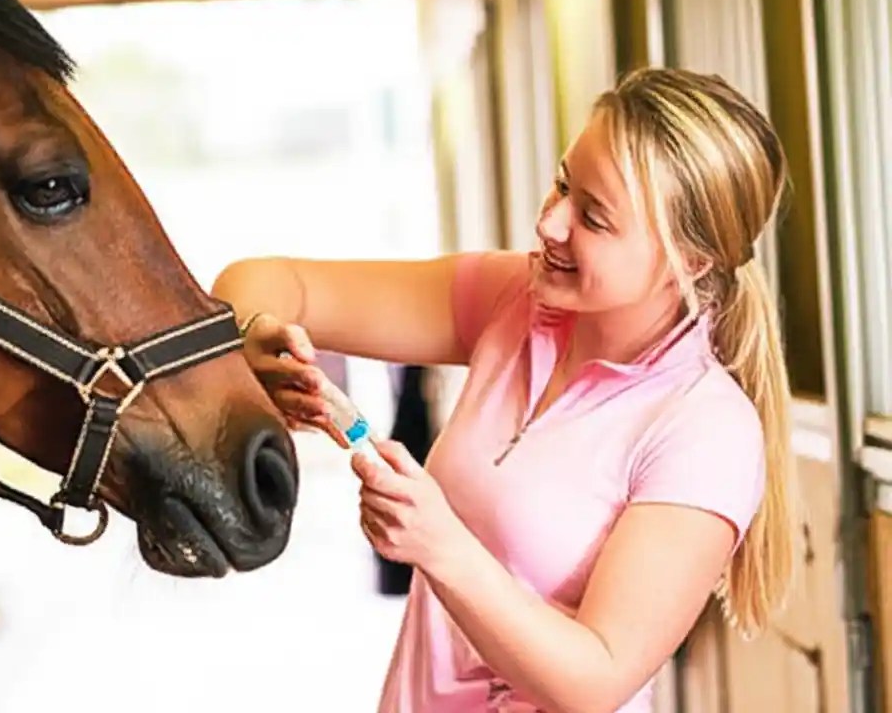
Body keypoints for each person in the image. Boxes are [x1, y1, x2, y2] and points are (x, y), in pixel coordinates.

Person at [212, 67, 796, 713]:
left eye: (594, 218)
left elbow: (596, 680)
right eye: (563, 184)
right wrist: (255, 339)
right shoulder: (514, 303)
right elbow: (267, 279)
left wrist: (437, 543)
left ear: (690, 260)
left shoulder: (705, 431)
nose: (550, 225)